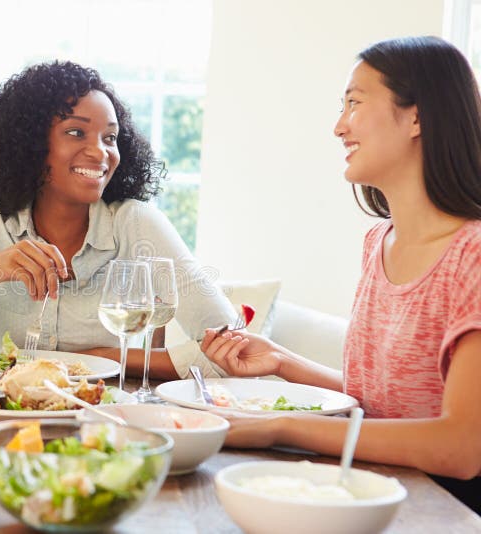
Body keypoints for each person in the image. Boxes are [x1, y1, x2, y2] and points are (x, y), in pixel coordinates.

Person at [200, 36, 481, 512]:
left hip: (445, 511)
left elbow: (459, 448)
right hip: (370, 491)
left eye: (354, 103)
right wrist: (282, 362)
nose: (338, 127)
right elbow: (384, 406)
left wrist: (280, 427)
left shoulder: (471, 256)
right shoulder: (379, 244)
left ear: (417, 116)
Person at [0, 61, 235, 379]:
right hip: (1, 418)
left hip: (107, 422)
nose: (100, 152)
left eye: (110, 138)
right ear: (32, 143)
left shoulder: (137, 224)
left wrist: (107, 357)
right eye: (76, 132)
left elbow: (234, 348)